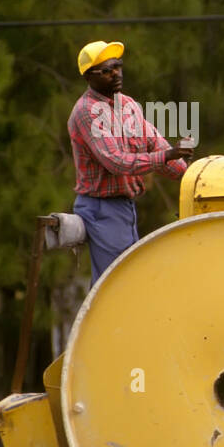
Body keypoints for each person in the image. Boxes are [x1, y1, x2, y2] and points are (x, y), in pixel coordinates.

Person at [68, 41, 193, 284]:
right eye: (106, 70)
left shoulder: (128, 105)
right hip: (101, 208)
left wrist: (186, 168)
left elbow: (155, 143)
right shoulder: (87, 111)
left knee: (129, 282)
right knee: (116, 285)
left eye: (118, 66)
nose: (116, 73)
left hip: (125, 208)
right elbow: (115, 162)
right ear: (88, 77)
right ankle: (102, 323)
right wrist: (168, 156)